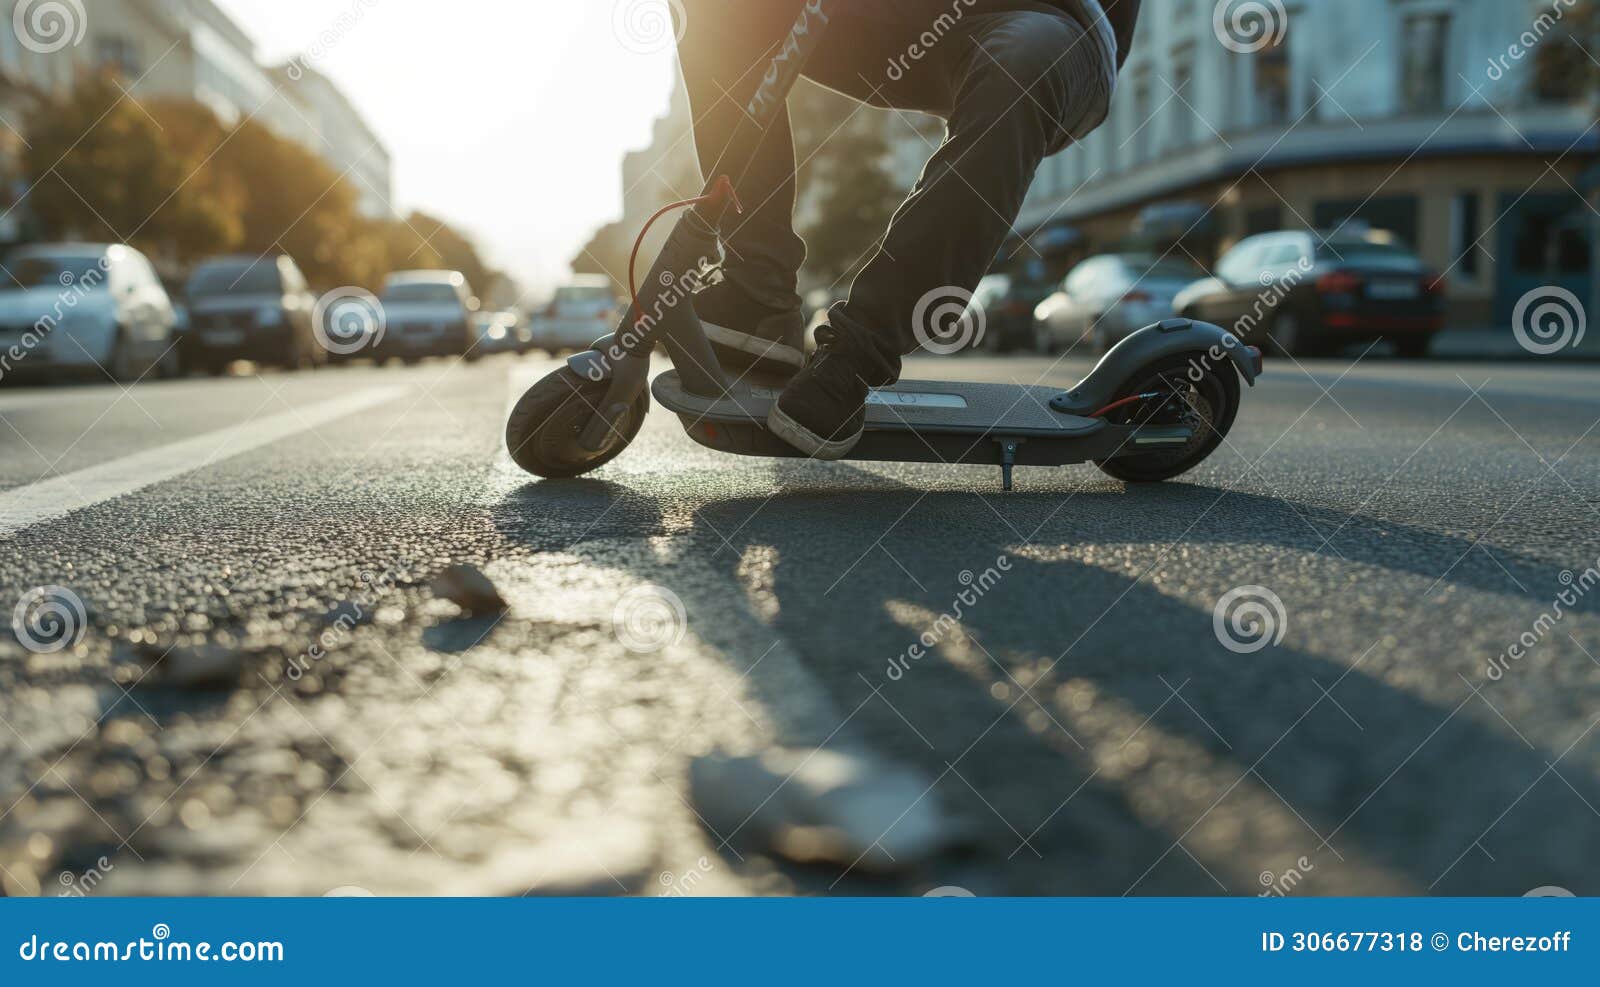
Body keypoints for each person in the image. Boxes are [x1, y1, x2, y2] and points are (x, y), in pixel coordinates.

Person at [675, 0, 1142, 458]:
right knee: (723, 12)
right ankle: (758, 293)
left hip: (1060, 23)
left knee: (1022, 59)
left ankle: (858, 355)